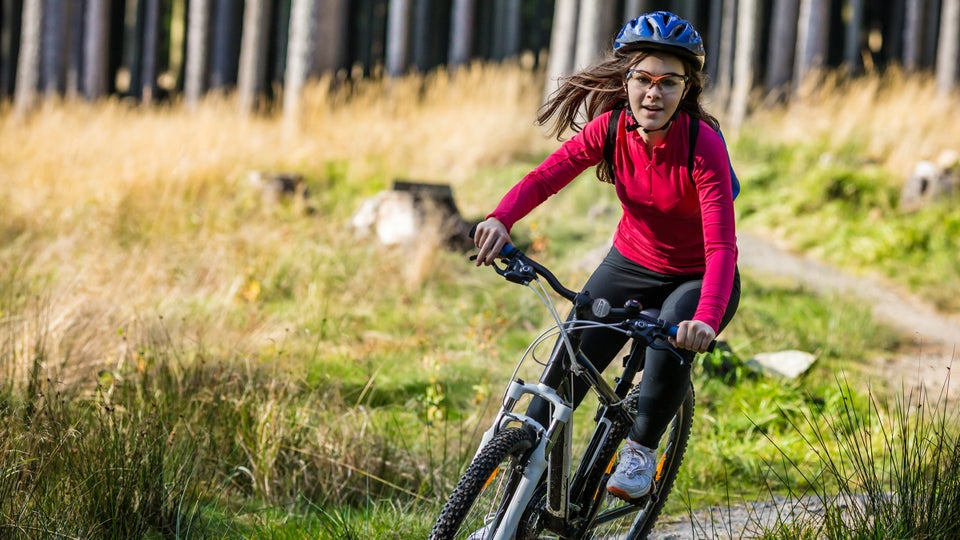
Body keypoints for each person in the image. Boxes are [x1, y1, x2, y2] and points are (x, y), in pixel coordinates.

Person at [473, 11, 740, 501]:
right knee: (559, 381)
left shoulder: (703, 145)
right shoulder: (611, 128)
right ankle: (508, 516)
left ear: (687, 89)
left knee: (669, 344)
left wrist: (705, 317)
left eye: (668, 82)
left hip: (697, 275)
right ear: (627, 80)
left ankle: (640, 451)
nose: (653, 93)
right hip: (631, 261)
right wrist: (500, 218)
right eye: (642, 79)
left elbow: (722, 245)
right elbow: (545, 177)